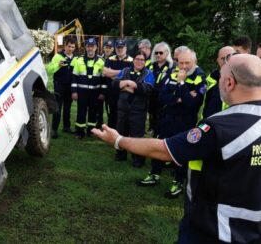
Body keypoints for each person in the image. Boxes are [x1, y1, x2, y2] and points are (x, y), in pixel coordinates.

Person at [92, 54, 261, 243]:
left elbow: (164, 149)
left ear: (229, 82)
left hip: (214, 231)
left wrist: (118, 140)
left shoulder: (220, 127)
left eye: (221, 77)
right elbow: (163, 95)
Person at [138, 48, 207, 199]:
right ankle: (154, 174)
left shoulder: (199, 77)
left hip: (185, 121)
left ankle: (178, 181)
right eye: (180, 62)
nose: (182, 66)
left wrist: (181, 84)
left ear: (195, 62)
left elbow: (192, 103)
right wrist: (179, 98)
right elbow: (162, 96)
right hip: (167, 117)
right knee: (159, 144)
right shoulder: (173, 71)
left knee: (180, 151)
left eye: (187, 63)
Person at [113, 51, 154, 167]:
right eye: (137, 59)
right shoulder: (125, 70)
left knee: (137, 136)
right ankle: (120, 155)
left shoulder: (148, 73)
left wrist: (131, 86)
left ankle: (138, 159)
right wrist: (126, 82)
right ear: (133, 60)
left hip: (138, 110)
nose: (139, 61)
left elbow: (148, 89)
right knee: (121, 132)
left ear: (145, 62)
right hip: (123, 108)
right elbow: (114, 84)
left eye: (142, 59)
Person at [72, 38, 106, 139]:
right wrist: (74, 92)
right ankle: (79, 132)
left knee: (93, 112)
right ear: (86, 47)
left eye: (92, 46)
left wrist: (103, 93)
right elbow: (74, 77)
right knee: (81, 111)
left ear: (96, 48)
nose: (90, 48)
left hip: (95, 92)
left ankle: (91, 131)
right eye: (88, 46)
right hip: (81, 92)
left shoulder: (101, 61)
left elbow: (103, 80)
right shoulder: (79, 60)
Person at [47, 37, 77, 138]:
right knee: (58, 108)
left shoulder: (76, 58)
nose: (71, 49)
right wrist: (58, 65)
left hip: (70, 87)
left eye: (73, 47)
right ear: (65, 45)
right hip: (59, 86)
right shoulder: (58, 56)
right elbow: (49, 70)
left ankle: (66, 127)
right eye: (69, 46)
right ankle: (54, 129)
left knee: (67, 108)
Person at [103, 39, 133, 129]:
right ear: (115, 48)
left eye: (121, 47)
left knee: (124, 113)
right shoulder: (110, 59)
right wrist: (122, 72)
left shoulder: (131, 60)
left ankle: (122, 134)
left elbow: (129, 77)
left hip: (124, 92)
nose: (120, 49)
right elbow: (105, 72)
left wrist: (112, 73)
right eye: (118, 48)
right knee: (112, 113)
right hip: (112, 92)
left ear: (126, 48)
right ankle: (111, 132)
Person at [147, 42, 174, 135]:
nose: (158, 55)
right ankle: (153, 129)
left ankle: (159, 134)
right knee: (152, 115)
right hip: (150, 96)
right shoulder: (150, 65)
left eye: (161, 53)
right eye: (156, 52)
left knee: (161, 118)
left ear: (167, 53)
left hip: (163, 97)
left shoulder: (172, 67)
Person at [202, 46, 236, 118]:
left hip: (225, 124)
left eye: (228, 58)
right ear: (217, 60)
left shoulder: (241, 80)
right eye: (222, 58)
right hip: (207, 122)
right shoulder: (212, 77)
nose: (225, 61)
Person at [96, 40, 114, 128]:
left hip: (110, 87)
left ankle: (110, 127)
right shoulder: (99, 58)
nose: (107, 49)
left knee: (110, 108)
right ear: (103, 48)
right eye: (106, 47)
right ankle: (99, 125)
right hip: (100, 86)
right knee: (99, 108)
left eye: (110, 48)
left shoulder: (114, 59)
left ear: (113, 49)